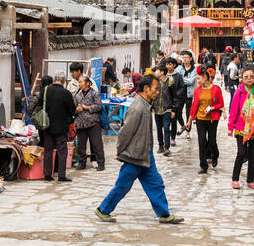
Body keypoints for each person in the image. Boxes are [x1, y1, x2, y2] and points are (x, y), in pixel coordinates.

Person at [96, 74, 184, 224]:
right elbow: (125, 132)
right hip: (134, 156)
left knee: (156, 184)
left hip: (146, 154)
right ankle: (103, 209)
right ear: (146, 88)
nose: (157, 92)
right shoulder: (137, 107)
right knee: (122, 186)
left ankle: (164, 214)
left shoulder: (146, 105)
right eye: (155, 89)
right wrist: (120, 151)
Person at [228, 66, 254, 189]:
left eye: (251, 76)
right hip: (241, 127)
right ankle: (235, 178)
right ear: (242, 79)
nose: (249, 79)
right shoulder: (239, 93)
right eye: (246, 77)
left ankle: (250, 180)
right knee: (241, 153)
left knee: (253, 155)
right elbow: (233, 110)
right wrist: (230, 127)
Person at [39, 74, 77, 182]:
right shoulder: (66, 93)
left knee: (48, 150)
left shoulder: (45, 91)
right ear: (64, 81)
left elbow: (40, 105)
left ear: (55, 80)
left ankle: (47, 175)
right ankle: (61, 176)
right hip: (61, 126)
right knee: (62, 151)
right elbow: (72, 110)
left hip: (47, 125)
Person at [191, 67, 224, 174]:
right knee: (201, 141)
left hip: (212, 119)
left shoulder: (216, 89)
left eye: (199, 78)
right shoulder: (197, 91)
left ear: (205, 77)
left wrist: (212, 108)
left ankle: (215, 155)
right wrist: (189, 119)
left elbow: (221, 104)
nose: (197, 81)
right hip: (200, 119)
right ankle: (203, 166)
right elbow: (194, 106)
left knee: (212, 141)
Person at [74, 73, 105, 171]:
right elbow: (73, 108)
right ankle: (82, 162)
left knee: (97, 144)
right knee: (81, 145)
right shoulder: (77, 95)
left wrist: (86, 108)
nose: (79, 84)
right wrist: (76, 109)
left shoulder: (94, 93)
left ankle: (101, 163)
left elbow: (99, 106)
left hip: (93, 122)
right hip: (81, 123)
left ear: (87, 83)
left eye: (81, 82)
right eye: (79, 82)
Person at [66, 62, 86, 168]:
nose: (72, 74)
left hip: (86, 116)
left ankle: (83, 159)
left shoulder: (89, 82)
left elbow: (94, 96)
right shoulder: (71, 84)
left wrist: (83, 107)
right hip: (74, 115)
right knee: (73, 137)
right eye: (71, 72)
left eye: (73, 72)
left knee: (83, 139)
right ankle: (74, 157)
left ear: (79, 71)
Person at [152, 65, 175, 155]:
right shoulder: (155, 82)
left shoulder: (170, 82)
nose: (155, 72)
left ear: (162, 72)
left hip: (167, 109)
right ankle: (160, 146)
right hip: (157, 109)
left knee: (166, 128)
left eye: (157, 70)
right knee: (158, 129)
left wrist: (173, 109)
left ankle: (167, 147)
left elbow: (173, 96)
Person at [163, 57, 185, 148]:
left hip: (177, 100)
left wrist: (175, 95)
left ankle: (173, 137)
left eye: (170, 64)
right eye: (167, 64)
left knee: (174, 119)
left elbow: (182, 87)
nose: (168, 66)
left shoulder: (178, 76)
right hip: (166, 100)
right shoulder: (164, 75)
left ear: (174, 65)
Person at [177, 52, 198, 132]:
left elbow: (191, 82)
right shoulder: (179, 68)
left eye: (187, 57)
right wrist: (184, 80)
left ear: (190, 58)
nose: (185, 59)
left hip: (189, 94)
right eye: (184, 57)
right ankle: (182, 125)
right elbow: (177, 80)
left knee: (189, 114)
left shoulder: (194, 70)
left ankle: (188, 132)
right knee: (178, 111)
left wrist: (181, 79)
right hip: (180, 94)